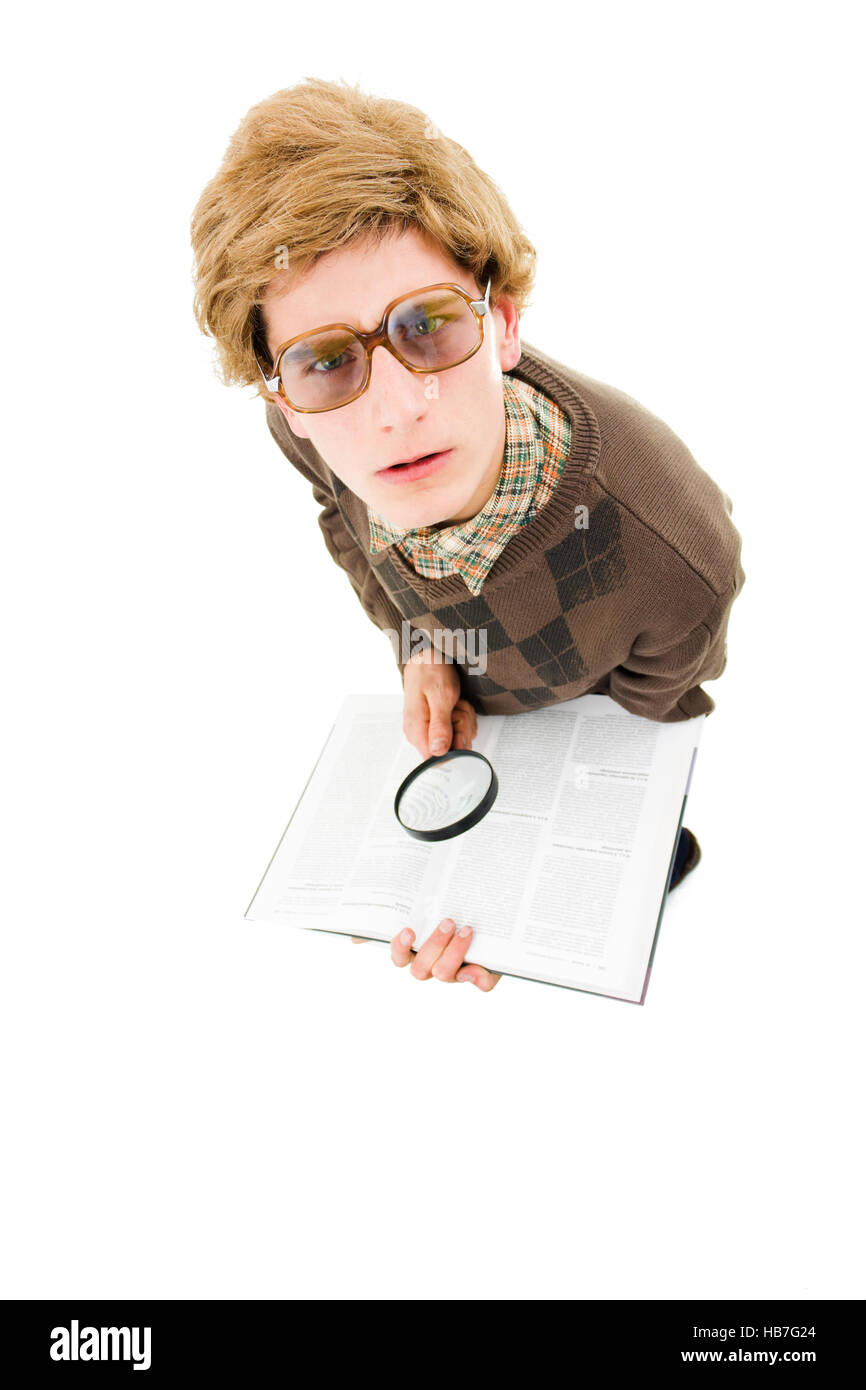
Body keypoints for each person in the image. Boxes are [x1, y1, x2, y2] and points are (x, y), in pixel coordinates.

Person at [190, 78, 745, 993]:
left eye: (431, 327)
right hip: (467, 710)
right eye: (326, 362)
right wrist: (423, 646)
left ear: (506, 323)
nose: (396, 411)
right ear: (282, 401)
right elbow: (343, 517)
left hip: (590, 723)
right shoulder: (321, 439)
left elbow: (649, 726)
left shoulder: (672, 558)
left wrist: (550, 870)